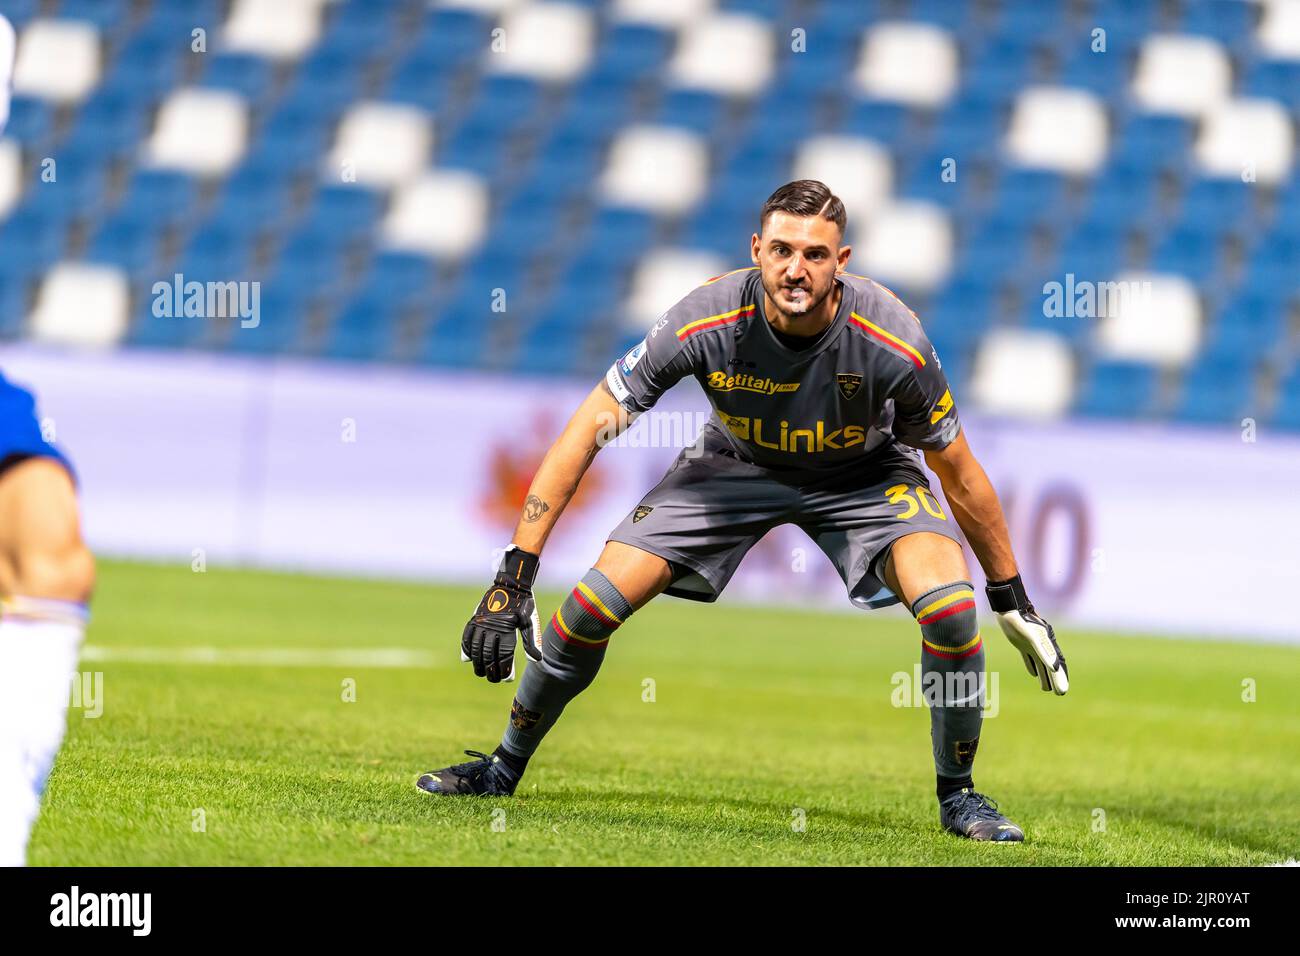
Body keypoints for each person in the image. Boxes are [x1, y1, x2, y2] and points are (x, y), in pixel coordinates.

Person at [419, 180, 1067, 842]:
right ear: (756, 250)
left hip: (864, 476)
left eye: (815, 255)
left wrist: (1010, 595)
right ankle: (501, 769)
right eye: (781, 249)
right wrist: (515, 573)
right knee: (586, 610)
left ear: (841, 262)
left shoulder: (893, 338)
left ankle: (959, 796)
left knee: (954, 615)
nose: (795, 269)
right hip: (732, 467)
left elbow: (957, 469)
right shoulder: (703, 320)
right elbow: (589, 428)